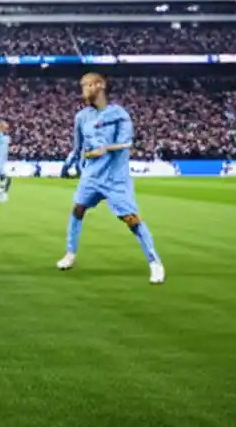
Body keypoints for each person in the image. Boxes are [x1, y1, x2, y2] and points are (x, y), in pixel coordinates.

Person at [58, 74, 164, 284]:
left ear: (101, 85)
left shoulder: (119, 114)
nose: (84, 89)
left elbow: (126, 143)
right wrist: (68, 166)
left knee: (131, 220)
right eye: (82, 86)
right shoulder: (81, 117)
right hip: (91, 176)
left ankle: (155, 263)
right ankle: (70, 254)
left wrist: (105, 149)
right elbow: (78, 148)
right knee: (77, 209)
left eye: (88, 85)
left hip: (115, 177)